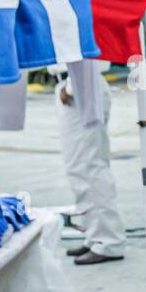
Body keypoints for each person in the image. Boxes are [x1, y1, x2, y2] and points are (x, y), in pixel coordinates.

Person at [56, 60, 126, 265]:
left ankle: (108, 241)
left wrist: (70, 85)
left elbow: (88, 47)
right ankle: (95, 236)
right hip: (76, 84)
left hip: (81, 84)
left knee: (91, 165)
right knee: (79, 168)